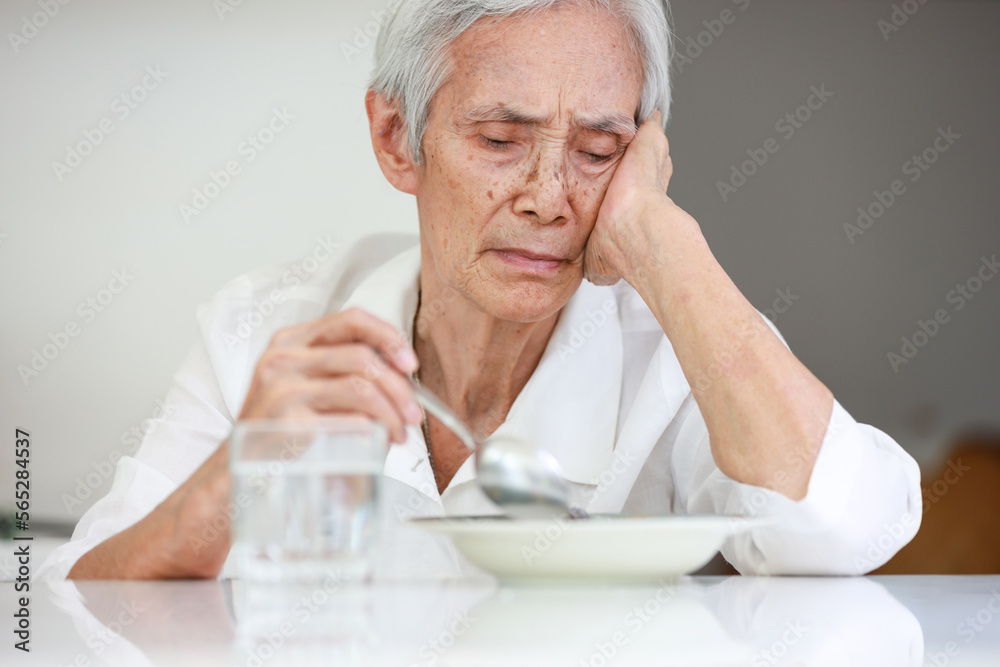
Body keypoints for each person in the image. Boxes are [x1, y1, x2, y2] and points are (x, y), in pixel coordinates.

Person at [40, 0, 921, 580]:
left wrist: (664, 242)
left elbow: (851, 528)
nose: (549, 196)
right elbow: (72, 616)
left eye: (598, 151)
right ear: (397, 138)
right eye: (502, 138)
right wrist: (236, 474)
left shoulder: (679, 349)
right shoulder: (263, 332)